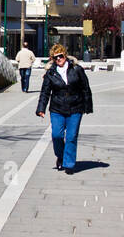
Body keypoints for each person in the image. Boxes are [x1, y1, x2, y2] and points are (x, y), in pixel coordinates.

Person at [36, 43, 94, 174]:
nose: (58, 59)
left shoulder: (77, 69)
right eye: (55, 58)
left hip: (75, 107)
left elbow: (85, 88)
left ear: (65, 55)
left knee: (71, 137)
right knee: (57, 135)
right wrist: (41, 108)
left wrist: (87, 106)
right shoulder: (50, 73)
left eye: (60, 56)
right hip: (57, 108)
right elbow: (45, 92)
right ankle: (60, 156)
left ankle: (68, 164)